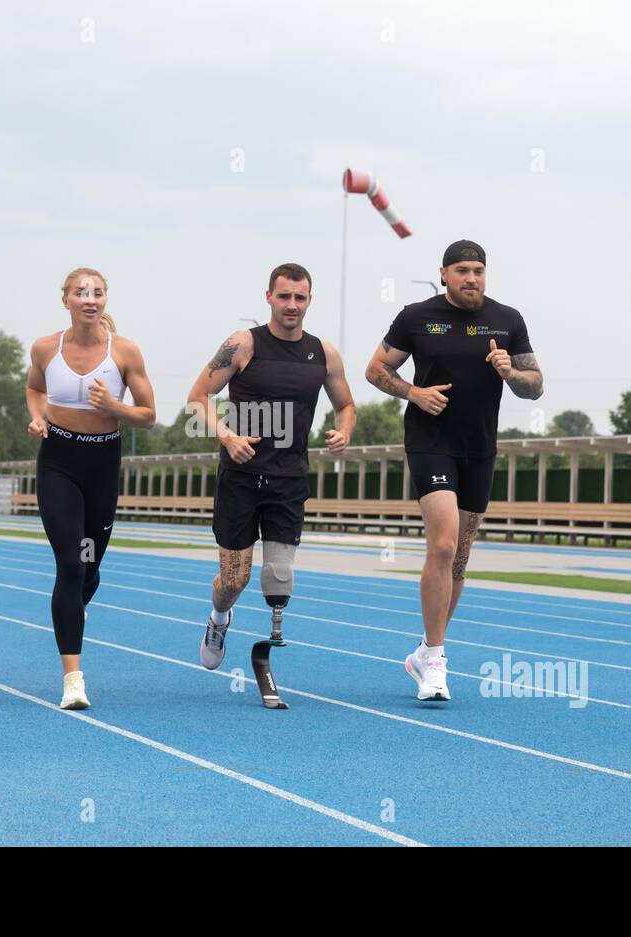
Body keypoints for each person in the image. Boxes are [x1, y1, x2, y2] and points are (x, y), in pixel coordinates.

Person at [365, 239, 543, 701]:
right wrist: (414, 393)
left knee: (460, 555)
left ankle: (425, 650)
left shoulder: (508, 321)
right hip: (431, 442)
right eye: (462, 270)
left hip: (479, 447)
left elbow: (535, 387)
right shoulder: (416, 316)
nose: (472, 278)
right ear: (443, 274)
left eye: (479, 270)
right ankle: (439, 662)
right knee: (442, 541)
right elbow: (375, 369)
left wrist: (510, 373)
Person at [188, 262, 355, 671]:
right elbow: (197, 398)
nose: (292, 305)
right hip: (241, 479)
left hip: (289, 479)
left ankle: (273, 634)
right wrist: (227, 436)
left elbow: (346, 405)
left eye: (300, 297)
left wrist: (343, 431)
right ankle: (219, 619)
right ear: (269, 297)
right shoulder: (244, 344)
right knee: (234, 580)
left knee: (279, 576)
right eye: (284, 296)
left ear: (310, 300)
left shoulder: (324, 353)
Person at [26, 268, 156, 709]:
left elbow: (149, 414)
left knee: (90, 565)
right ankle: (73, 679)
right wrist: (38, 415)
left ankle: (72, 610)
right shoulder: (46, 348)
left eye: (97, 293)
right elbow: (33, 387)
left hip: (102, 462)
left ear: (105, 301)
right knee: (70, 563)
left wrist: (113, 405)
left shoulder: (125, 352)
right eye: (81, 292)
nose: (90, 299)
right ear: (65, 299)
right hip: (58, 462)